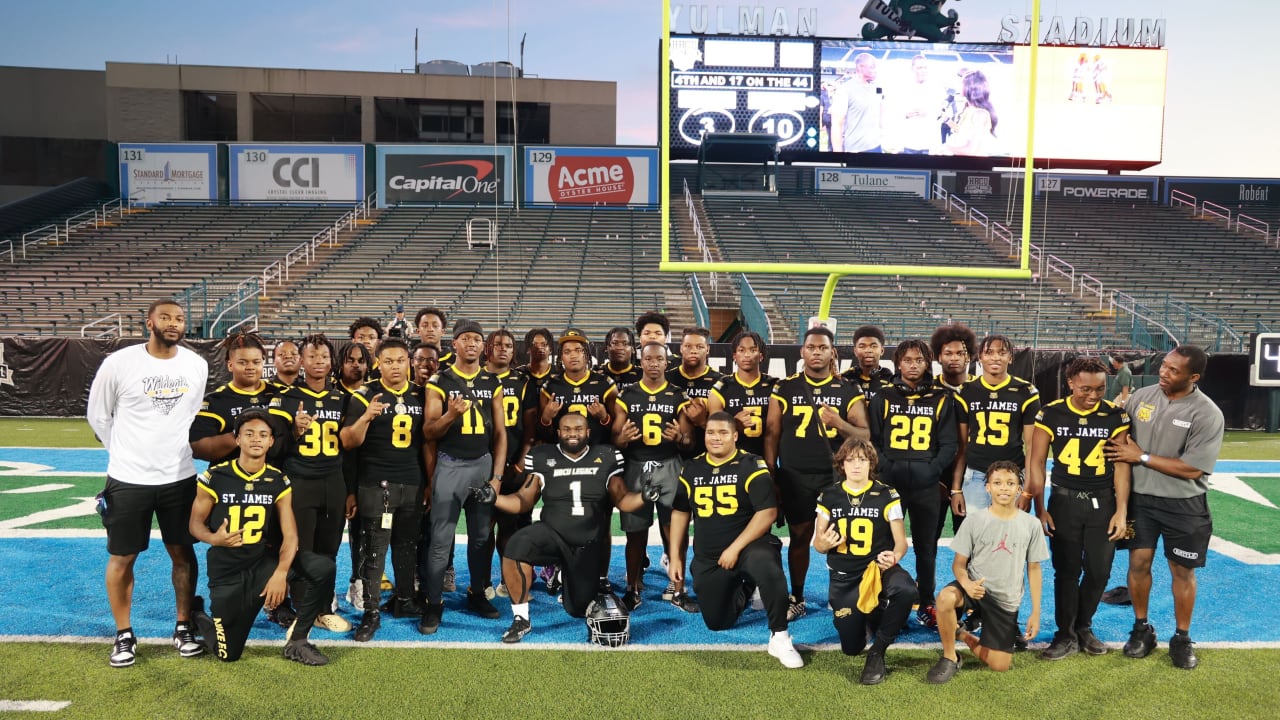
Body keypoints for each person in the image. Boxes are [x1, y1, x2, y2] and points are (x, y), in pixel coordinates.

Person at [87, 298, 209, 668]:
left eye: (180, 319)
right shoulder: (119, 363)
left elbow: (189, 416)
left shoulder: (196, 364)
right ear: (149, 323)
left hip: (179, 477)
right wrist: (124, 453)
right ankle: (124, 633)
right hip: (128, 478)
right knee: (123, 556)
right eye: (166, 318)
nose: (174, 323)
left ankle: (183, 625)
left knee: (183, 553)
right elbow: (98, 416)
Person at [477, 412, 647, 643]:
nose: (572, 434)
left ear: (588, 432)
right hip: (552, 534)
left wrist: (645, 496)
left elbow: (623, 499)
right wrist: (494, 499)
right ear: (558, 433)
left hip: (586, 542)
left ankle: (561, 575)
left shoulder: (606, 456)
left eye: (578, 429)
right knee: (517, 545)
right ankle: (521, 619)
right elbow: (524, 500)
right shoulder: (542, 456)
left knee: (577, 609)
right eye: (566, 429)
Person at [1104, 345, 1224, 670]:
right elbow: (1119, 440)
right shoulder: (1141, 397)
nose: (1164, 372)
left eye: (1173, 370)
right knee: (1138, 563)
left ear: (1193, 377)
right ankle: (1142, 629)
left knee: (1182, 572)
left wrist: (1140, 456)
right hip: (1140, 502)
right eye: (1164, 365)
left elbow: (1192, 469)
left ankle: (1182, 637)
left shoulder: (1207, 413)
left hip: (1184, 504)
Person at [188, 410, 335, 665]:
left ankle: (298, 641)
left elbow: (291, 535)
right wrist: (214, 539)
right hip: (227, 573)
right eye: (249, 434)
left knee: (322, 568)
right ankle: (197, 615)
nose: (256, 439)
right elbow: (195, 525)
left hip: (261, 564)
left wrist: (280, 573)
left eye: (263, 435)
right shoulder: (216, 477)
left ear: (271, 442)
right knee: (228, 655)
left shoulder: (278, 480)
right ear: (237, 439)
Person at [669, 411, 803, 669]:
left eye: (722, 433)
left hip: (749, 546)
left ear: (735, 436)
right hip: (710, 555)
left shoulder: (751, 464)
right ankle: (744, 588)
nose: (715, 438)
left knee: (767, 566)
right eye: (710, 433)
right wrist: (675, 556)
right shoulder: (693, 467)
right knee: (717, 622)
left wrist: (735, 549)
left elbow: (768, 513)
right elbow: (680, 511)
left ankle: (779, 636)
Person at [765, 326, 870, 621]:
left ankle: (844, 594)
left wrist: (838, 422)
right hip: (795, 476)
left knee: (842, 536)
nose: (816, 352)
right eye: (811, 347)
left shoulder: (847, 389)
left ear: (832, 352)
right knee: (799, 536)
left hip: (834, 477)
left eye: (822, 348)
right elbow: (772, 434)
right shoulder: (784, 387)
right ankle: (797, 595)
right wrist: (772, 475)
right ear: (802, 351)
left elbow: (865, 433)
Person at [1029, 357, 1131, 660]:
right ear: (1070, 382)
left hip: (1103, 501)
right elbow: (1036, 463)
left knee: (1100, 571)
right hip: (1064, 501)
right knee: (1067, 571)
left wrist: (1122, 509)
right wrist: (1039, 507)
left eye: (1099, 389)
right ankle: (1065, 633)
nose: (1092, 396)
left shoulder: (1115, 415)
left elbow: (1122, 465)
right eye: (1085, 389)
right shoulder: (1051, 413)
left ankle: (1083, 626)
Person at [420, 319, 507, 633]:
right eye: (465, 338)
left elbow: (500, 434)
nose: (471, 344)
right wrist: (450, 415)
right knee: (441, 541)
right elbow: (429, 432)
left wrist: (497, 477)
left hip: (482, 465)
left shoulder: (492, 382)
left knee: (482, 538)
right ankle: (433, 604)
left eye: (477, 339)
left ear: (482, 346)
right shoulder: (439, 381)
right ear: (453, 343)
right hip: (451, 465)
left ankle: (477, 593)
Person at [926, 461, 1047, 683]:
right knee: (944, 599)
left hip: (1005, 600)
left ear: (1019, 488)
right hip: (975, 588)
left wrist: (1036, 613)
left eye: (1010, 483)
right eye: (998, 483)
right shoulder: (974, 520)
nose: (1004, 488)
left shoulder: (1031, 524)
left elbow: (1034, 568)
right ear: (987, 487)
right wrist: (967, 584)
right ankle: (949, 656)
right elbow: (958, 564)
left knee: (999, 666)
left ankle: (960, 632)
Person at [867, 339, 958, 629]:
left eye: (919, 360)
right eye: (907, 360)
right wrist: (888, 468)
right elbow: (874, 441)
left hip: (925, 485)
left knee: (926, 546)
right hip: (890, 484)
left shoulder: (942, 398)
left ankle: (927, 601)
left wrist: (930, 470)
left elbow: (949, 444)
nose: (913, 365)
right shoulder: (883, 396)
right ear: (898, 364)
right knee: (882, 543)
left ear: (927, 363)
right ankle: (882, 596)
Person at [340, 337, 427, 641]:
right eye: (388, 361)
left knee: (406, 546)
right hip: (376, 484)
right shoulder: (365, 395)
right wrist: (365, 417)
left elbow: (428, 443)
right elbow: (348, 443)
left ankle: (404, 599)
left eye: (400, 360)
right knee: (374, 549)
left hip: (413, 483)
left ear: (408, 361)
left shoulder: (420, 393)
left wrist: (428, 483)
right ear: (378, 363)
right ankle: (371, 612)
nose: (395, 366)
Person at [268, 333, 353, 634]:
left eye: (324, 357)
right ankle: (303, 611)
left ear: (332, 363)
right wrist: (292, 430)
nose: (319, 362)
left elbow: (350, 447)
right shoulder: (285, 398)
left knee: (328, 549)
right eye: (312, 356)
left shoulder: (342, 398)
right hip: (299, 481)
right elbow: (272, 448)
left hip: (333, 481)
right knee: (300, 549)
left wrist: (350, 490)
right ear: (301, 361)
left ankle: (322, 609)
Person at [813, 438, 914, 684]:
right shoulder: (829, 495)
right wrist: (823, 545)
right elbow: (818, 543)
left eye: (862, 459)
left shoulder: (886, 493)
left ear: (871, 463)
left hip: (876, 570)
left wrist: (894, 556)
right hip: (844, 578)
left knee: (906, 589)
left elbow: (901, 542)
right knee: (851, 647)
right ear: (842, 464)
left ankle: (878, 651)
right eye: (851, 460)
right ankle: (874, 613)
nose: (856, 465)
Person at [613, 341, 695, 611]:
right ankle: (633, 586)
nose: (653, 363)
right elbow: (615, 435)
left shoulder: (676, 395)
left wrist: (680, 437)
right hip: (636, 465)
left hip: (669, 464)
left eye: (659, 359)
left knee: (674, 530)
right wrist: (622, 439)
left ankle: (677, 587)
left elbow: (687, 440)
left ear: (666, 362)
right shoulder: (627, 394)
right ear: (641, 362)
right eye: (648, 359)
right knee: (635, 532)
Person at [951, 335, 1040, 523]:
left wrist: (1027, 491)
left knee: (1011, 539)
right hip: (976, 474)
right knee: (978, 538)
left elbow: (1031, 448)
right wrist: (956, 488)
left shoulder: (1026, 391)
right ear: (980, 357)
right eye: (989, 352)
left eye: (1002, 352)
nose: (995, 358)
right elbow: (961, 446)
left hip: (1012, 475)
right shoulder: (966, 391)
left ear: (1011, 357)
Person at [483, 329, 536, 598]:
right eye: (497, 344)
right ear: (487, 348)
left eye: (508, 345)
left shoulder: (522, 382)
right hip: (480, 463)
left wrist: (520, 463)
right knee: (482, 528)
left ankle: (508, 579)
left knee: (509, 526)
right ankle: (481, 583)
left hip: (514, 464)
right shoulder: (475, 378)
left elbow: (530, 428)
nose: (503, 349)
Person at [188, 332, 278, 466]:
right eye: (243, 362)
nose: (250, 367)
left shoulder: (277, 393)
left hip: (273, 477)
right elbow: (197, 448)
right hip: (230, 480)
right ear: (230, 365)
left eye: (256, 362)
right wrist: (239, 434)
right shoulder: (215, 401)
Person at [931, 323, 977, 538]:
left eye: (960, 353)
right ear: (938, 356)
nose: (954, 358)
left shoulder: (980, 389)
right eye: (948, 353)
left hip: (973, 474)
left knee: (970, 538)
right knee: (928, 537)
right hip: (936, 473)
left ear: (969, 357)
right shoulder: (928, 389)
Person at [336, 341, 372, 609]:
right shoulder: (328, 393)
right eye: (351, 360)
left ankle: (356, 583)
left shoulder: (373, 392)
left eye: (361, 360)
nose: (356, 365)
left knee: (361, 534)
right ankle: (322, 588)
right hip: (331, 472)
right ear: (341, 363)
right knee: (328, 535)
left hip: (364, 471)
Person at [539, 329, 617, 446]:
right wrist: (546, 419)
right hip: (561, 454)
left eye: (578, 350)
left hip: (598, 453)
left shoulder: (605, 384)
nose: (573, 355)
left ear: (587, 354)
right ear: (560, 357)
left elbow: (618, 431)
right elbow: (543, 435)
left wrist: (604, 418)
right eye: (567, 351)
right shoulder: (550, 386)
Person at [707, 330, 776, 457]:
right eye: (741, 350)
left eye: (753, 350)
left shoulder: (774, 386)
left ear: (761, 356)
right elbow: (715, 431)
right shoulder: (721, 388)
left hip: (765, 455)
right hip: (732, 459)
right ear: (734, 356)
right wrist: (734, 424)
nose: (747, 355)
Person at [666, 327, 721, 460]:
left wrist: (702, 422)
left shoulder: (720, 381)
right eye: (688, 346)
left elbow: (723, 426)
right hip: (670, 455)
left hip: (707, 456)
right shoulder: (666, 378)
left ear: (707, 349)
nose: (693, 351)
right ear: (681, 348)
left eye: (699, 346)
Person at [830, 52, 883, 153]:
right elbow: (837, 123)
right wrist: (837, 153)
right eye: (872, 67)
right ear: (861, 67)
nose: (875, 70)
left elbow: (881, 109)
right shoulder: (845, 89)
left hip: (876, 146)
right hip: (855, 150)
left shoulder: (877, 87)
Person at [942, 70, 998, 156]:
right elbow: (963, 132)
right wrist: (947, 120)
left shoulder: (980, 115)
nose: (958, 86)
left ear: (970, 87)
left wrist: (946, 147)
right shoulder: (968, 109)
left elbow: (971, 150)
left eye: (962, 83)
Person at [841, 325, 892, 401]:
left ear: (882, 350)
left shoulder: (890, 380)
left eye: (873, 346)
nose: (868, 350)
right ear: (855, 351)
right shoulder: (846, 378)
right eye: (862, 346)